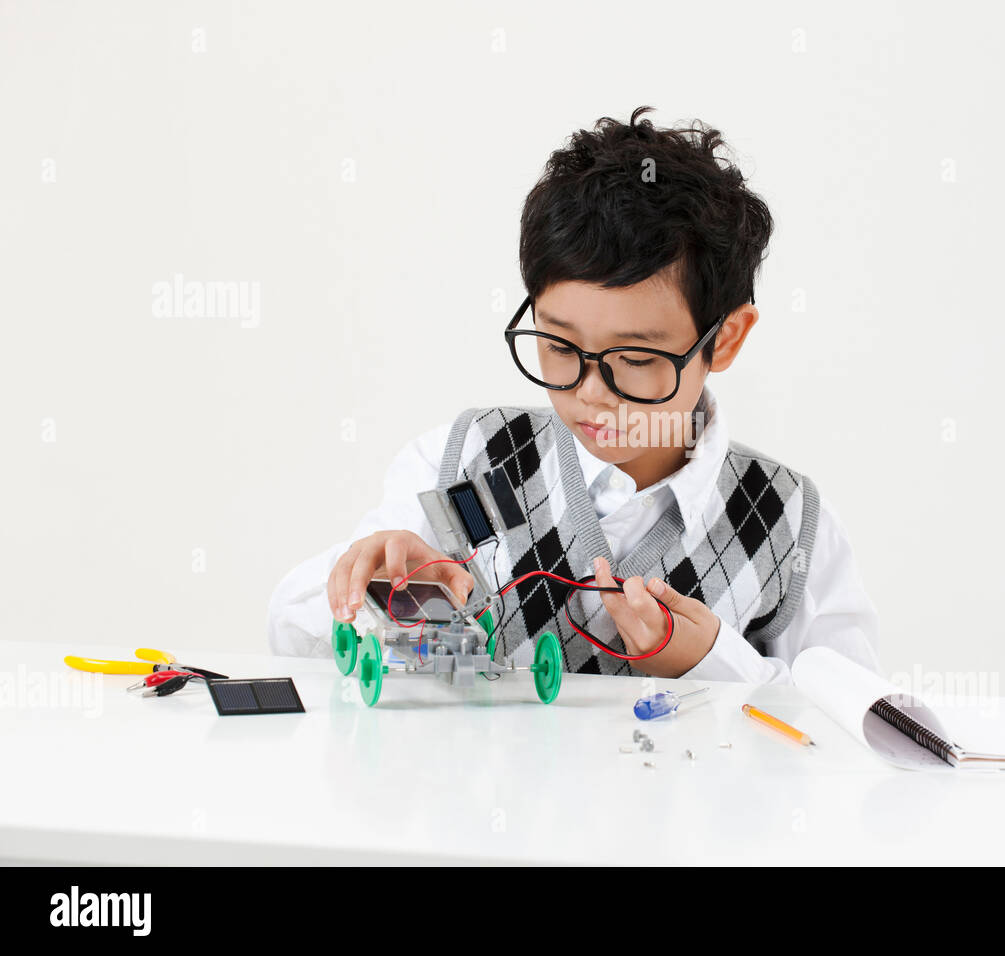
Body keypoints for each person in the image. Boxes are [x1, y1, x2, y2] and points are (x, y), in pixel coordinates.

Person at [267, 106, 879, 683]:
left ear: (726, 338)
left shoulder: (791, 524)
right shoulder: (461, 464)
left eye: (636, 358)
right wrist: (366, 586)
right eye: (559, 346)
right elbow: (293, 636)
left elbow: (850, 720)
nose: (590, 394)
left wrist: (713, 663)